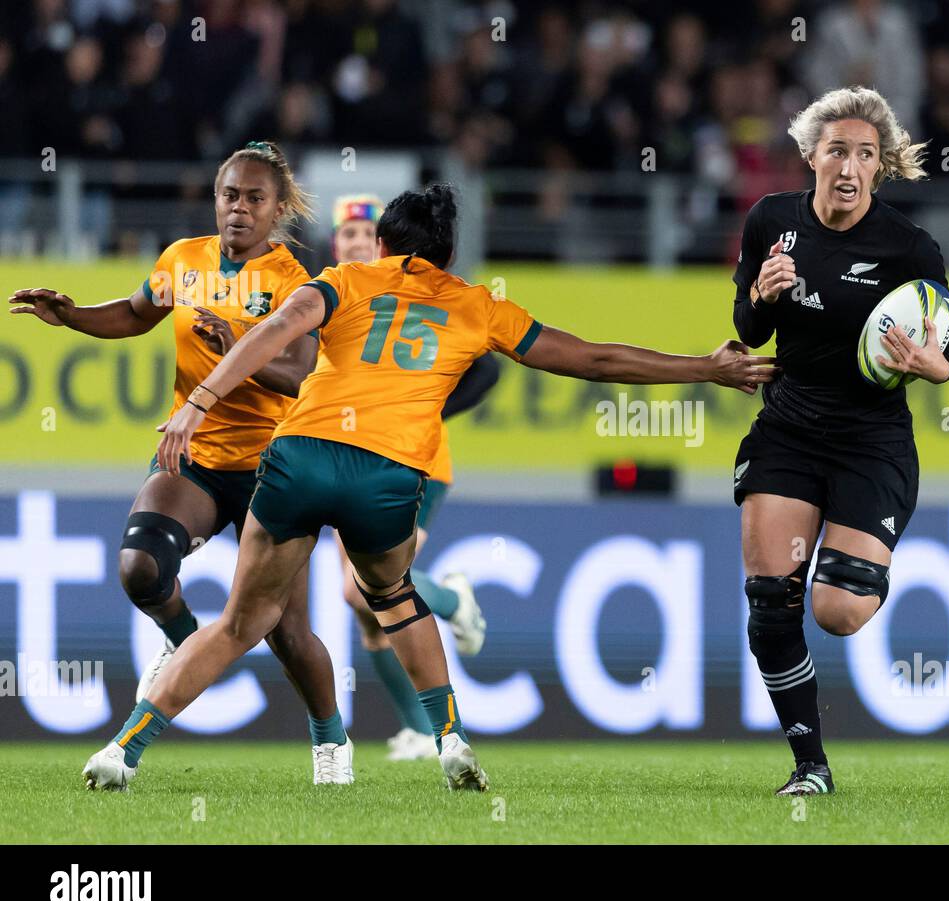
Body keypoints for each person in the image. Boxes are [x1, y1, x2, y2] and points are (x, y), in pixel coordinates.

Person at [82, 183, 776, 791]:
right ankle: (450, 739)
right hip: (386, 473)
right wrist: (704, 368)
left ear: (381, 242)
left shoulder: (343, 282)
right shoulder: (478, 306)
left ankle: (125, 750)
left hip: (299, 455)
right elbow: (593, 358)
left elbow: (275, 332)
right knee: (395, 600)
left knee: (242, 622)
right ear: (447, 253)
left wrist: (199, 399)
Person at [10, 141, 354, 784]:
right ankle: (182, 640)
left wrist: (240, 353)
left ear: (279, 209)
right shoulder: (184, 260)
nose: (240, 209)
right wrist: (74, 316)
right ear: (215, 198)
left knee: (286, 632)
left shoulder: (291, 281)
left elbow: (301, 374)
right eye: (230, 195)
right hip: (194, 456)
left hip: (273, 469)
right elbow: (138, 313)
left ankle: (331, 741)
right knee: (140, 568)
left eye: (255, 199)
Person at [731, 86, 949, 796]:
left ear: (880, 167)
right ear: (810, 156)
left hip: (872, 439)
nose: (849, 166)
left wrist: (932, 365)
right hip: (791, 429)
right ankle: (810, 766)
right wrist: (761, 297)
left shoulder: (909, 248)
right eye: (837, 150)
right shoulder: (770, 221)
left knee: (836, 611)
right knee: (772, 601)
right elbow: (748, 332)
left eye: (865, 154)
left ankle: (863, 553)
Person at [331, 194, 498, 761]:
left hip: (415, 459)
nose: (355, 245)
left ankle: (453, 600)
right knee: (368, 612)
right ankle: (418, 731)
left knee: (362, 587)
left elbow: (488, 366)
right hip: (352, 457)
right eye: (346, 236)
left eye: (363, 236)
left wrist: (424, 408)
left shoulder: (424, 295)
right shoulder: (342, 289)